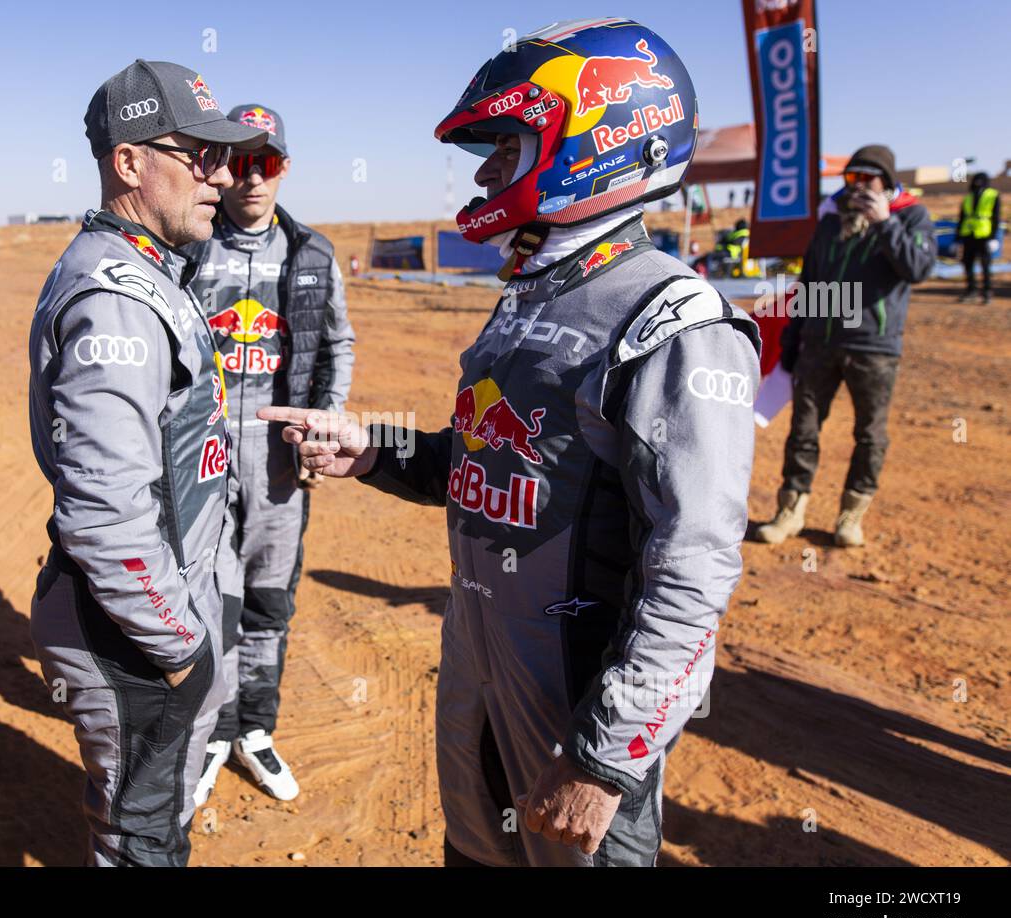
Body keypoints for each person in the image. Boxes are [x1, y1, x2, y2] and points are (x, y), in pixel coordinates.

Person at [263, 18, 759, 866]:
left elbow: (696, 563)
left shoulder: (673, 320)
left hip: (575, 729)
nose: (488, 169)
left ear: (600, 137)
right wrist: (373, 449)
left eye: (509, 144)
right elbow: (486, 459)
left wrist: (605, 762)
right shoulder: (532, 293)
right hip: (480, 692)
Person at [26, 59, 266, 866]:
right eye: (199, 155)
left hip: (154, 606)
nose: (223, 175)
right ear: (129, 162)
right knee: (140, 842)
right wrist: (182, 649)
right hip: (130, 628)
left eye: (224, 156)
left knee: (151, 824)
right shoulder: (119, 297)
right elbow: (103, 512)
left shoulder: (146, 267)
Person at [184, 104, 355, 805]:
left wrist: (328, 422)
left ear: (284, 168)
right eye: (241, 162)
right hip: (199, 455)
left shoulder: (312, 253)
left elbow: (339, 344)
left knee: (268, 602)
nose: (253, 179)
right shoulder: (189, 246)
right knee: (203, 599)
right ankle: (211, 732)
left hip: (279, 463)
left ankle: (254, 729)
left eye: (269, 163)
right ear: (222, 168)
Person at [757, 145, 936, 548]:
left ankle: (850, 516)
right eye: (851, 178)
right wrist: (792, 335)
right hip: (820, 341)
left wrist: (885, 224)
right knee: (803, 430)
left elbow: (919, 268)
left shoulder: (911, 216)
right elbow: (811, 280)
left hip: (873, 346)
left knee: (869, 434)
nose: (857, 188)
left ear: (886, 184)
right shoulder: (830, 220)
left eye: (867, 179)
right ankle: (790, 512)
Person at [957, 172, 1000, 305]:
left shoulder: (992, 195)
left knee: (985, 265)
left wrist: (993, 237)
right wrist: (957, 238)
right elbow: (962, 217)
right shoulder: (968, 197)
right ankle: (971, 290)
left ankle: (987, 292)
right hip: (969, 235)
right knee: (967, 263)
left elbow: (996, 217)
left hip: (984, 235)